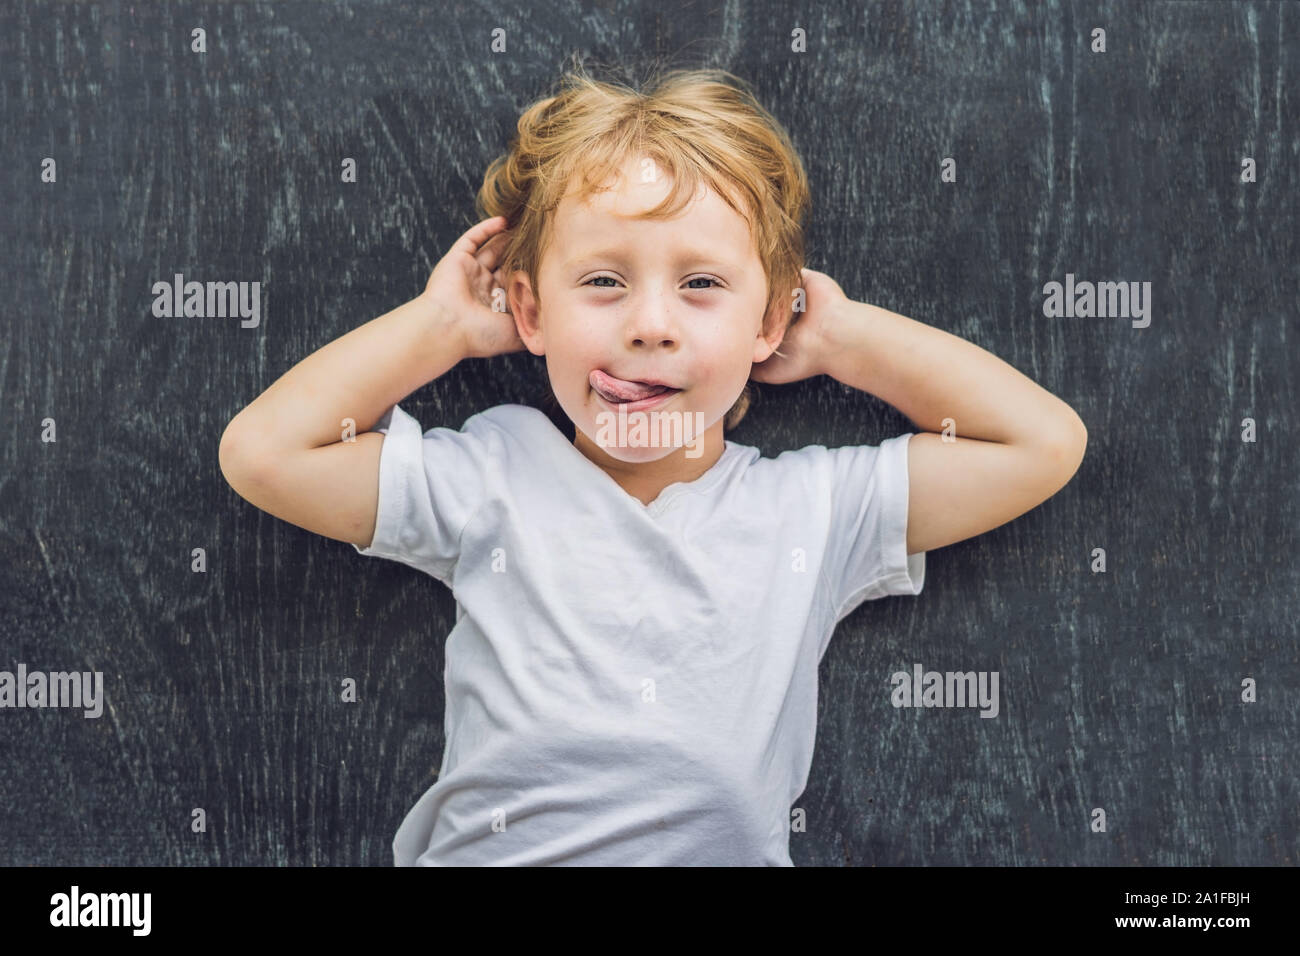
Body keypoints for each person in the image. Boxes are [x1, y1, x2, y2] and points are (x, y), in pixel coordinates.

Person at [218, 64, 1087, 866]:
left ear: (765, 324)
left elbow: (1041, 444)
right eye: (602, 282)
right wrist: (441, 327)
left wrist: (837, 336)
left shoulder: (813, 512)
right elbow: (265, 455)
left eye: (702, 284)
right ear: (530, 311)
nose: (651, 325)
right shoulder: (493, 476)